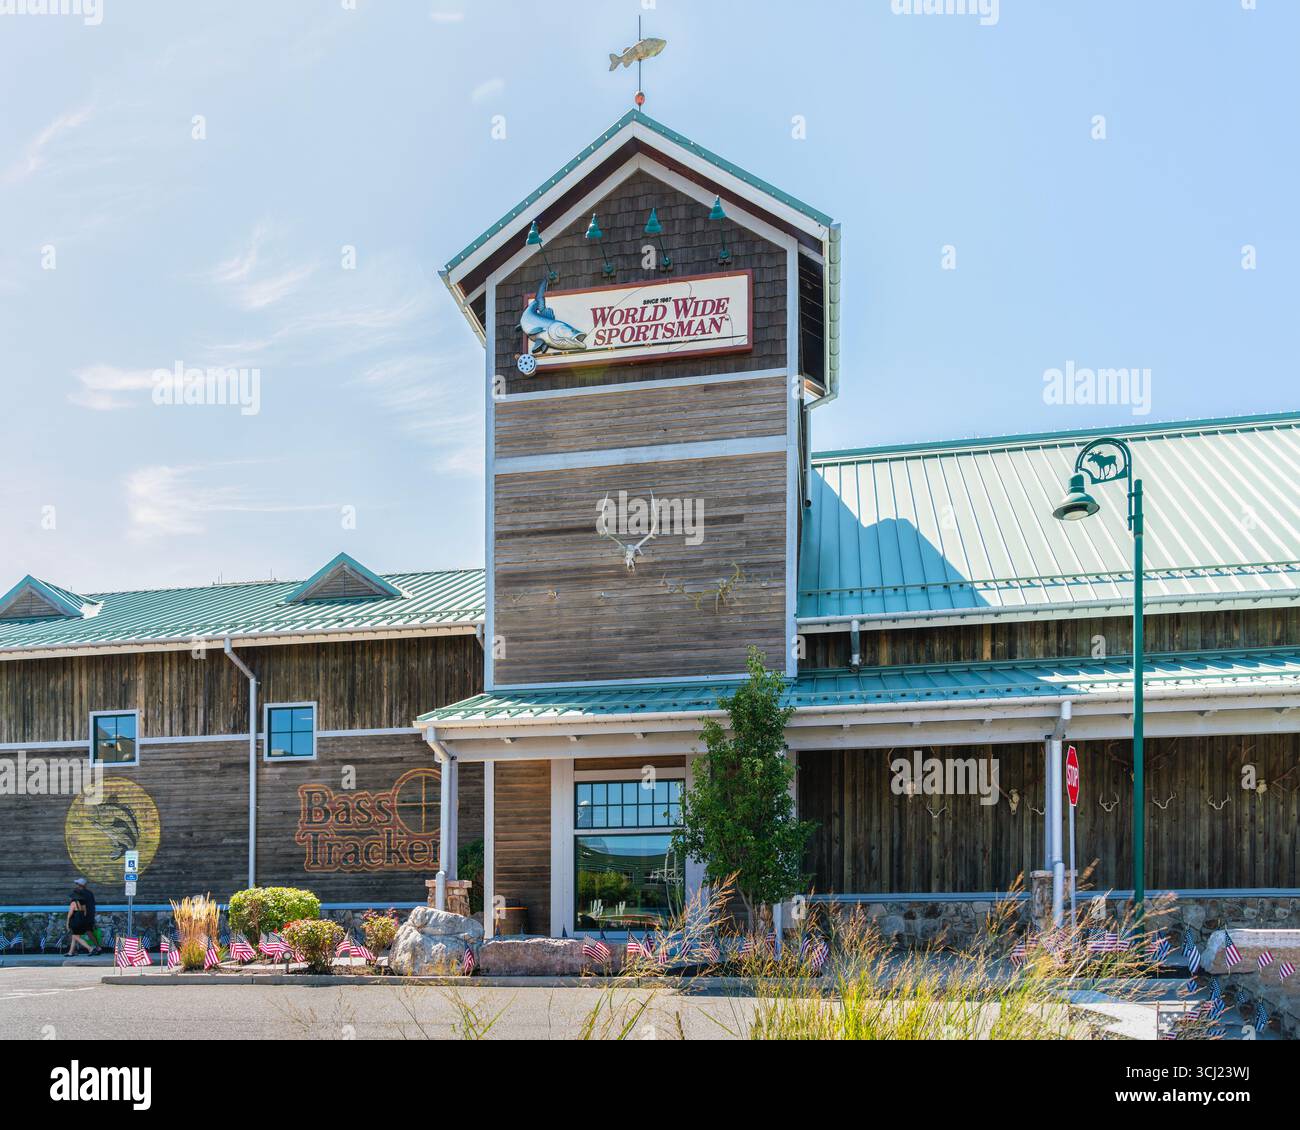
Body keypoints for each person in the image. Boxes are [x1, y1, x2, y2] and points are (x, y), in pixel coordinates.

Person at [66, 878, 100, 956]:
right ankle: (72, 951)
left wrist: (68, 921)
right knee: (85, 933)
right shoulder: (90, 893)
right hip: (88, 915)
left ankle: (91, 949)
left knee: (78, 935)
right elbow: (91, 905)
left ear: (81, 885)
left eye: (77, 884)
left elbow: (72, 910)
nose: (76, 885)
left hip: (80, 917)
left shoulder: (78, 894)